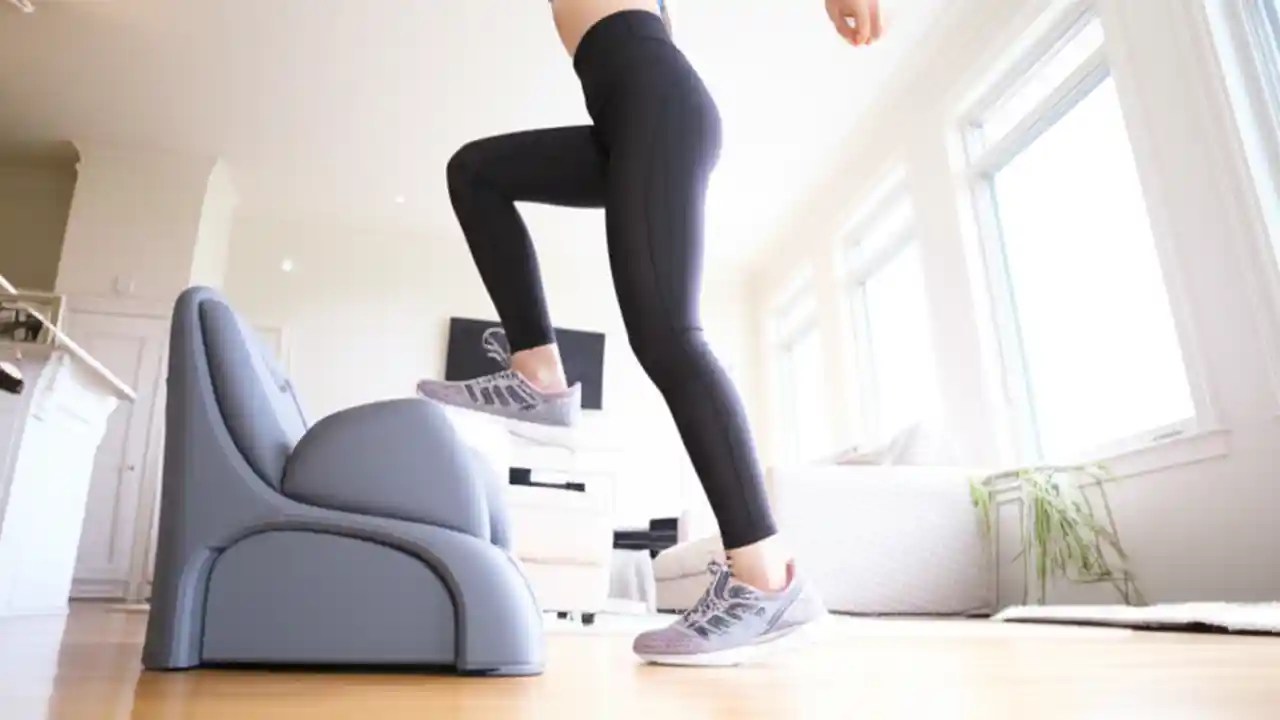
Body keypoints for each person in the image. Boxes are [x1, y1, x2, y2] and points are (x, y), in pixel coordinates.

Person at [417, 0, 885, 666]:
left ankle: (768, 578)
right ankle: (539, 376)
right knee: (474, 173)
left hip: (655, 100)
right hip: (628, 115)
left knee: (668, 335)